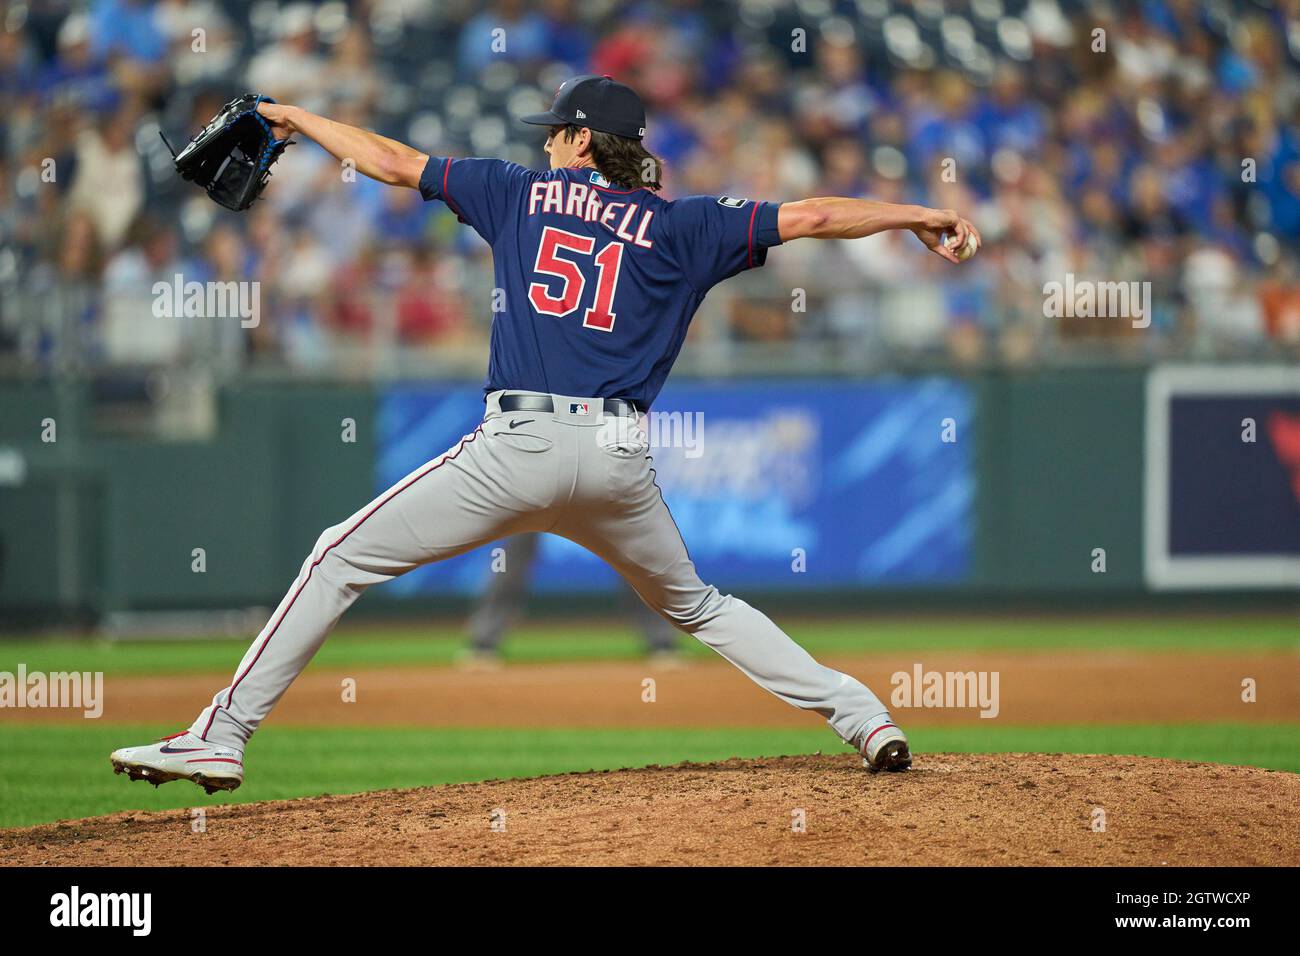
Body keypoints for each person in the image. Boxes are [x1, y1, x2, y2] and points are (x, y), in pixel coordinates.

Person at [110, 75, 980, 793]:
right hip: (617, 461)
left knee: (339, 557)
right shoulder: (687, 224)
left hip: (515, 449)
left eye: (557, 130)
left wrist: (296, 115)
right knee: (699, 606)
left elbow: (390, 161)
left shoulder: (515, 191)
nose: (547, 142)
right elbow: (816, 218)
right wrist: (915, 216)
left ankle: (221, 737)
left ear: (578, 141)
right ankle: (863, 716)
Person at [462, 533, 679, 667]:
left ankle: (661, 642)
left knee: (633, 542)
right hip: (544, 472)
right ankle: (484, 643)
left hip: (594, 472)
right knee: (516, 545)